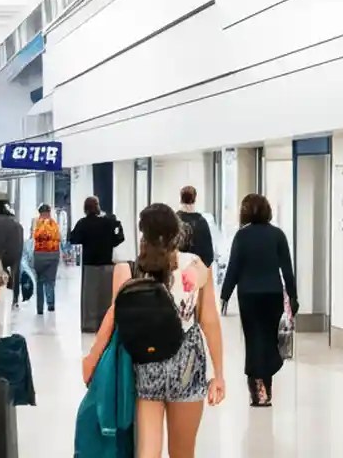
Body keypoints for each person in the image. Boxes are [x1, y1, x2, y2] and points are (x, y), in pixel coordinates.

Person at [81, 203, 226, 458]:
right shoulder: (195, 266)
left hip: (146, 364)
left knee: (148, 453)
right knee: (183, 453)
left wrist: (92, 358)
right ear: (177, 234)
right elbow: (209, 321)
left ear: (142, 235)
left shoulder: (128, 270)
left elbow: (114, 317)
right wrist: (219, 374)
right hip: (187, 366)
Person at [219, 193, 297, 406]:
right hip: (272, 295)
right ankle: (266, 386)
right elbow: (287, 270)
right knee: (270, 340)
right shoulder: (277, 235)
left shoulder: (241, 237)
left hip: (249, 296)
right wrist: (293, 296)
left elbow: (233, 269)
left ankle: (257, 390)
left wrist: (224, 295)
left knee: (254, 341)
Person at [70, 196, 125, 333]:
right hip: (106, 263)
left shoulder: (83, 223)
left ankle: (89, 324)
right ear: (98, 206)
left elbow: (73, 238)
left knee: (90, 296)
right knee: (106, 295)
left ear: (85, 208)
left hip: (90, 264)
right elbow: (119, 237)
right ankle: (105, 324)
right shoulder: (108, 223)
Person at [175, 186, 215, 272]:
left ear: (181, 199)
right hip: (197, 273)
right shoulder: (201, 222)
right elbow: (209, 255)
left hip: (177, 271)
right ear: (195, 199)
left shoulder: (174, 220)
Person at [31, 204, 62, 315]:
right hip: (53, 254)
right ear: (49, 212)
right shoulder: (54, 224)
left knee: (40, 282)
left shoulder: (37, 223)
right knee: (50, 281)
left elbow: (34, 236)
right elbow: (58, 238)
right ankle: (51, 305)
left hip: (39, 254)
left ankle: (40, 308)